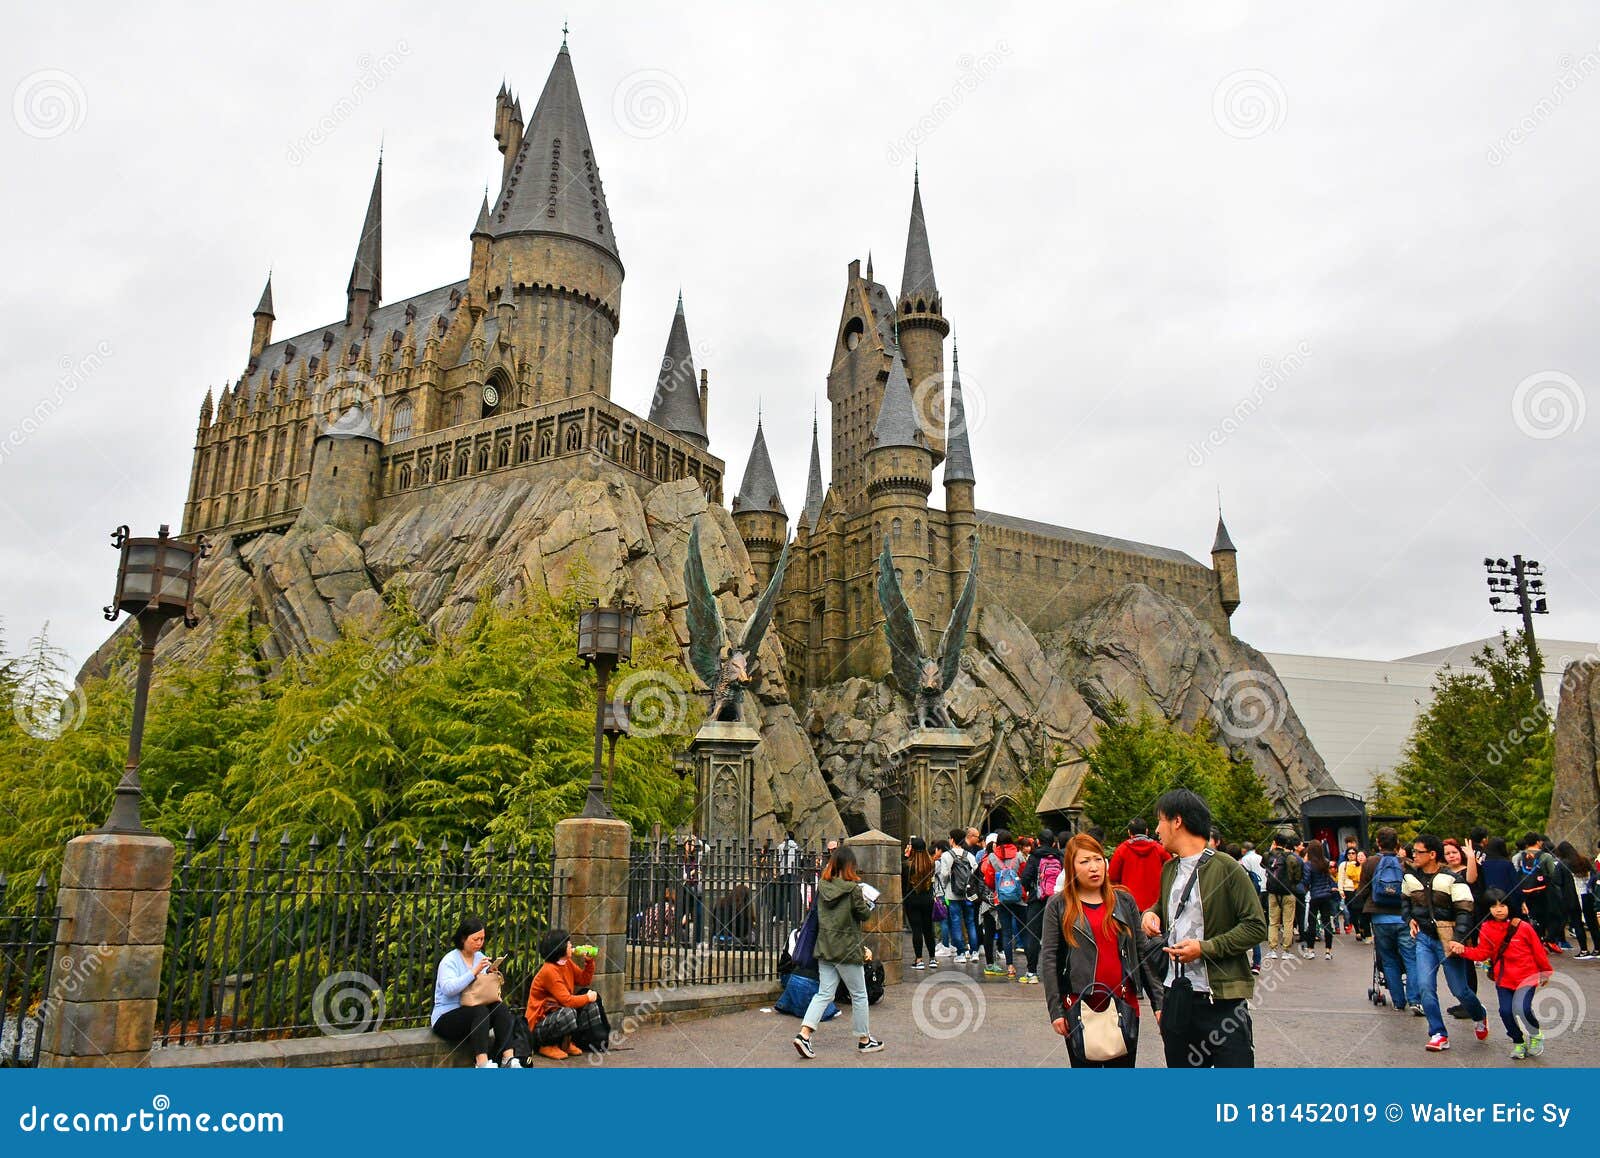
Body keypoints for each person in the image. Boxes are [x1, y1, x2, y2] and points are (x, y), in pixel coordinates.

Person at [1140, 788, 1267, 1068]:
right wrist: (1149, 915)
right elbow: (1163, 907)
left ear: (1177, 821)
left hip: (1220, 1000)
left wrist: (1205, 948)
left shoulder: (1228, 868)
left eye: (1160, 820)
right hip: (1176, 994)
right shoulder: (1169, 869)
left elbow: (1256, 926)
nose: (1156, 829)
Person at [1040, 833, 1165, 1067]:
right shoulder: (1058, 905)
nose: (1093, 867)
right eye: (1084, 861)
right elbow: (1049, 960)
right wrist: (1056, 1010)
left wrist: (1159, 1003)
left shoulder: (1123, 901)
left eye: (1098, 859)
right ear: (1071, 867)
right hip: (1079, 1007)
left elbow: (1142, 953)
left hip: (1123, 1006)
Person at [793, 846, 883, 1057]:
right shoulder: (853, 889)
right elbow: (863, 915)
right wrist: (867, 903)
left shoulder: (822, 886)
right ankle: (864, 1039)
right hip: (847, 948)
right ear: (849, 866)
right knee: (859, 994)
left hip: (825, 946)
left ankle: (804, 1035)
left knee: (824, 993)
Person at [1403, 833, 1488, 1052]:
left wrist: (1458, 939)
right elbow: (1405, 901)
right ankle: (1438, 1033)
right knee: (1425, 986)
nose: (1414, 855)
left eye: (1418, 852)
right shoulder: (1409, 878)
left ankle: (1479, 1014)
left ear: (1432, 854)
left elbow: (1465, 910)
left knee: (1459, 989)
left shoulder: (1452, 879)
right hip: (1423, 938)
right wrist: (1409, 918)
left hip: (1448, 939)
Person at [1447, 888, 1553, 1059]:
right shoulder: (1487, 928)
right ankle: (1518, 1042)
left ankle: (1535, 1034)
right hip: (1504, 978)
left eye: (1502, 905)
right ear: (1487, 909)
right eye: (1494, 906)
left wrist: (1545, 971)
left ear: (1509, 906)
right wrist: (1462, 950)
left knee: (1523, 1008)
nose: (1499, 909)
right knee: (1505, 1011)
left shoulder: (1523, 927)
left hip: (1527, 976)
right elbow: (1482, 953)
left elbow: (1538, 950)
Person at [430, 916, 520, 1069]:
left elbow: (481, 988)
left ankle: (508, 1058)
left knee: (500, 1007)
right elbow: (448, 989)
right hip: (446, 1017)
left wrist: (490, 972)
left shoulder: (480, 957)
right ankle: (482, 1063)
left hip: (474, 1013)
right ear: (463, 939)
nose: (480, 943)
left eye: (482, 939)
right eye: (475, 939)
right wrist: (473, 972)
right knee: (480, 1011)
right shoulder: (449, 960)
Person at [1354, 826, 1418, 1016]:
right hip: (1404, 917)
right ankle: (1415, 999)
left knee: (1388, 959)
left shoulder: (1370, 863)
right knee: (1411, 958)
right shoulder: (1407, 863)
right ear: (1398, 843)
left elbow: (1363, 891)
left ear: (1378, 843)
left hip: (1380, 918)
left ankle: (1398, 1001)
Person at [525, 928, 605, 1061]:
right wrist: (587, 997)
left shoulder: (566, 963)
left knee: (590, 1006)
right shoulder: (549, 971)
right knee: (568, 1013)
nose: (571, 946)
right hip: (539, 1025)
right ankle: (545, 1045)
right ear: (559, 948)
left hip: (556, 1014)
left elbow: (584, 980)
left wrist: (589, 961)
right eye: (568, 943)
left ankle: (566, 1043)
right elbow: (567, 1001)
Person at [982, 830, 1028, 980]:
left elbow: (988, 880)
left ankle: (1010, 967)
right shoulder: (1019, 856)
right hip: (1019, 898)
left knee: (1007, 933)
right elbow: (1025, 876)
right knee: (1024, 931)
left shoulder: (992, 857)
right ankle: (1030, 966)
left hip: (1001, 899)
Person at [1020, 830, 1064, 985]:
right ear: (1053, 842)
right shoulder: (1060, 857)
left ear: (1038, 842)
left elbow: (1025, 879)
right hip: (1057, 901)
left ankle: (1032, 972)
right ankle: (1059, 971)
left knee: (1033, 935)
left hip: (1037, 900)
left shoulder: (1034, 857)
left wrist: (1029, 888)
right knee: (1058, 935)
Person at [1107, 817, 1172, 914]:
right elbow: (1171, 870)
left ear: (1129, 832)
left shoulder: (1122, 850)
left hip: (1129, 905)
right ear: (1146, 831)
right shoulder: (1159, 849)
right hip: (1156, 906)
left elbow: (1112, 876)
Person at [1261, 831, 1302, 960]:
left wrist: (1271, 849)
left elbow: (1263, 865)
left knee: (1273, 921)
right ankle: (1286, 950)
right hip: (1288, 892)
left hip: (1272, 891)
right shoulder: (1290, 857)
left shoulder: (1268, 855)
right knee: (1288, 921)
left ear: (1274, 842)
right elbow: (1297, 875)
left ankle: (1272, 949)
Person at [941, 826, 978, 962]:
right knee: (971, 922)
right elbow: (975, 871)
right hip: (968, 894)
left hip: (952, 894)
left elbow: (944, 875)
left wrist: (946, 885)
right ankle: (974, 952)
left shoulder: (946, 855)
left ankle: (961, 953)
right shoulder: (970, 856)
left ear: (952, 840)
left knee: (956, 922)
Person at [903, 836, 939, 970]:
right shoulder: (931, 863)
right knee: (929, 929)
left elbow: (903, 884)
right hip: (927, 900)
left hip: (912, 900)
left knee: (916, 930)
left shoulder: (907, 865)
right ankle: (932, 958)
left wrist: (906, 856)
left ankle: (919, 960)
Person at [1299, 839, 1337, 959]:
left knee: (1312, 923)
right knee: (1327, 922)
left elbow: (1306, 881)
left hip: (1314, 895)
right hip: (1326, 895)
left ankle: (1311, 950)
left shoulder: (1308, 864)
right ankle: (1328, 952)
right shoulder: (1325, 862)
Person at [1552, 841, 1589, 956]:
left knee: (1577, 924)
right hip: (1586, 895)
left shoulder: (1561, 864)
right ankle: (1596, 949)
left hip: (1571, 898)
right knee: (1591, 924)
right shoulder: (1583, 860)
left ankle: (1583, 950)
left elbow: (1557, 881)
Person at [1238, 840, 1267, 973]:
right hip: (1263, 888)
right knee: (1257, 920)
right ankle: (1257, 963)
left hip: (1248, 893)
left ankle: (1244, 964)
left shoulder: (1244, 860)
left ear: (1244, 849)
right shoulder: (1260, 858)